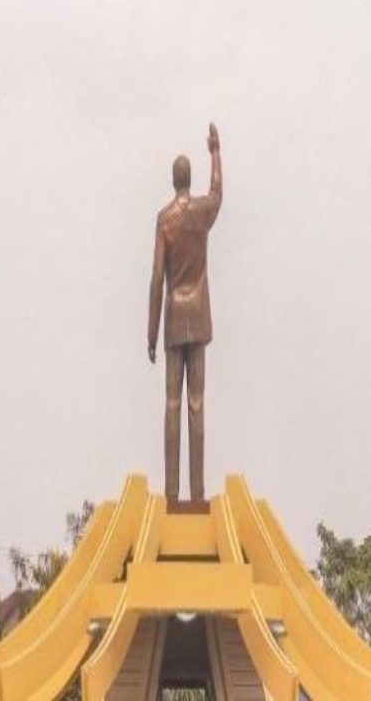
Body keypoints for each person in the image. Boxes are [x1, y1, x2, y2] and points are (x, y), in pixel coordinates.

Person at [148, 121, 223, 505]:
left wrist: (151, 333)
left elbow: (157, 278)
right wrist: (215, 152)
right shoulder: (199, 213)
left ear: (171, 180)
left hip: (175, 319)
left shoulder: (166, 220)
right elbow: (217, 193)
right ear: (188, 179)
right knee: (197, 402)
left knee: (172, 404)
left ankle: (172, 493)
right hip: (199, 314)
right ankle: (197, 493)